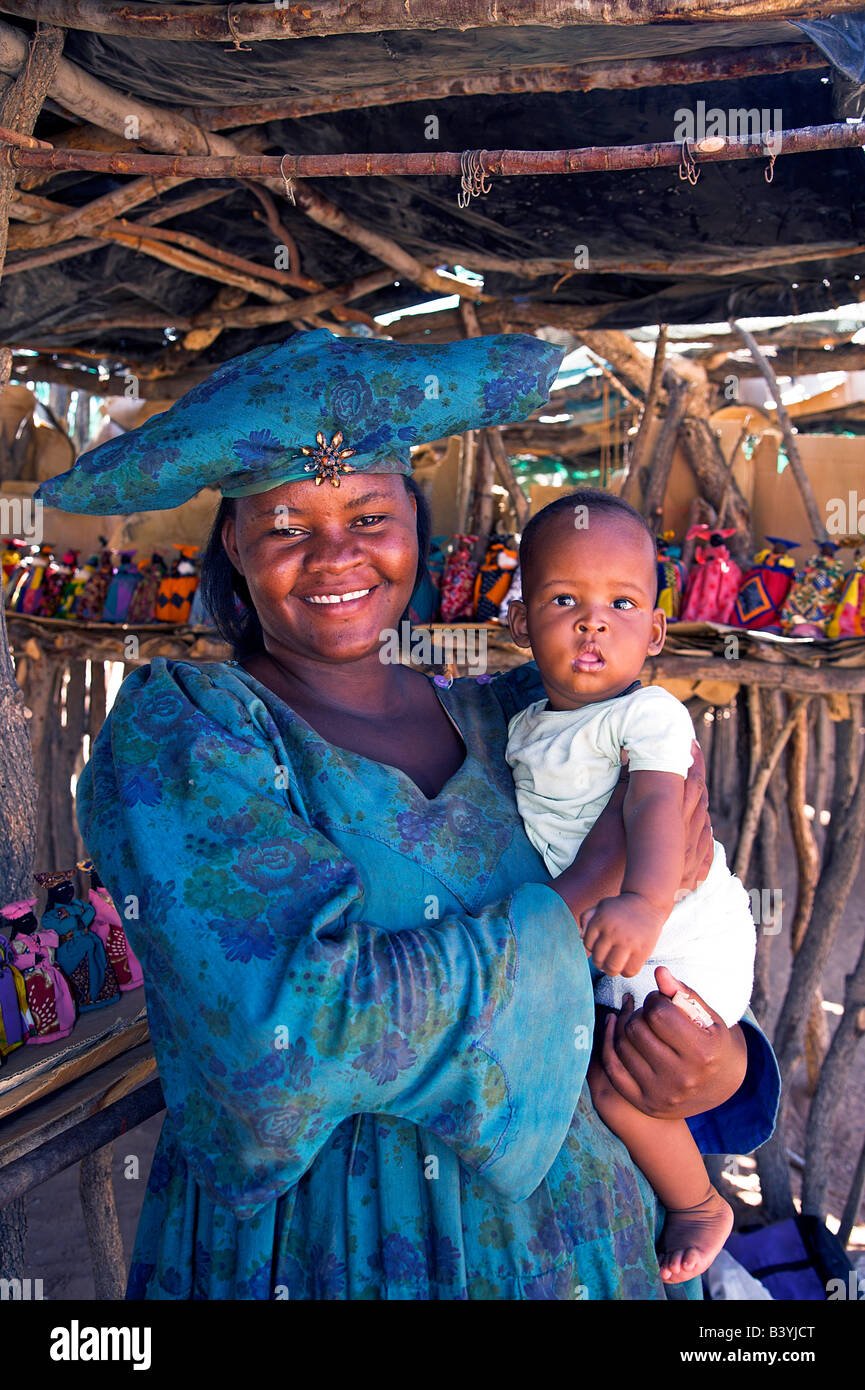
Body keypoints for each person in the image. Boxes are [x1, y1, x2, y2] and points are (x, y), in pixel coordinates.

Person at [35, 329, 778, 1301]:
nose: (335, 554)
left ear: (413, 525)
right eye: (289, 521)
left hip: (594, 1256)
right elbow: (286, 1049)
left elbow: (674, 925)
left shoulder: (522, 716)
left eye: (368, 513)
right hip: (331, 1256)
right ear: (234, 540)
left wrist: (704, 1062)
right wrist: (590, 884)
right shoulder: (189, 735)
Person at [505, 490, 757, 1285]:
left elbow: (657, 804)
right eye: (562, 601)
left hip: (682, 937)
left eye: (620, 603)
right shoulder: (518, 728)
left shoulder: (647, 713)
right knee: (608, 1075)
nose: (592, 622)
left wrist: (643, 901)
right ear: (518, 623)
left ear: (652, 633)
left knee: (623, 1091)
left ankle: (698, 1203)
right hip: (624, 949)